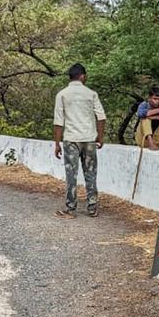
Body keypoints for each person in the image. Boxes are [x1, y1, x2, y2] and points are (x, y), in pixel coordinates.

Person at [53, 63, 106, 218]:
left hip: (71, 139)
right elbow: (101, 117)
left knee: (71, 174)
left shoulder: (62, 94)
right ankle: (92, 207)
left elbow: (58, 122)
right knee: (91, 173)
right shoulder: (91, 94)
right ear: (82, 76)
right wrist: (100, 137)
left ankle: (70, 208)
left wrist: (57, 143)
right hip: (89, 139)